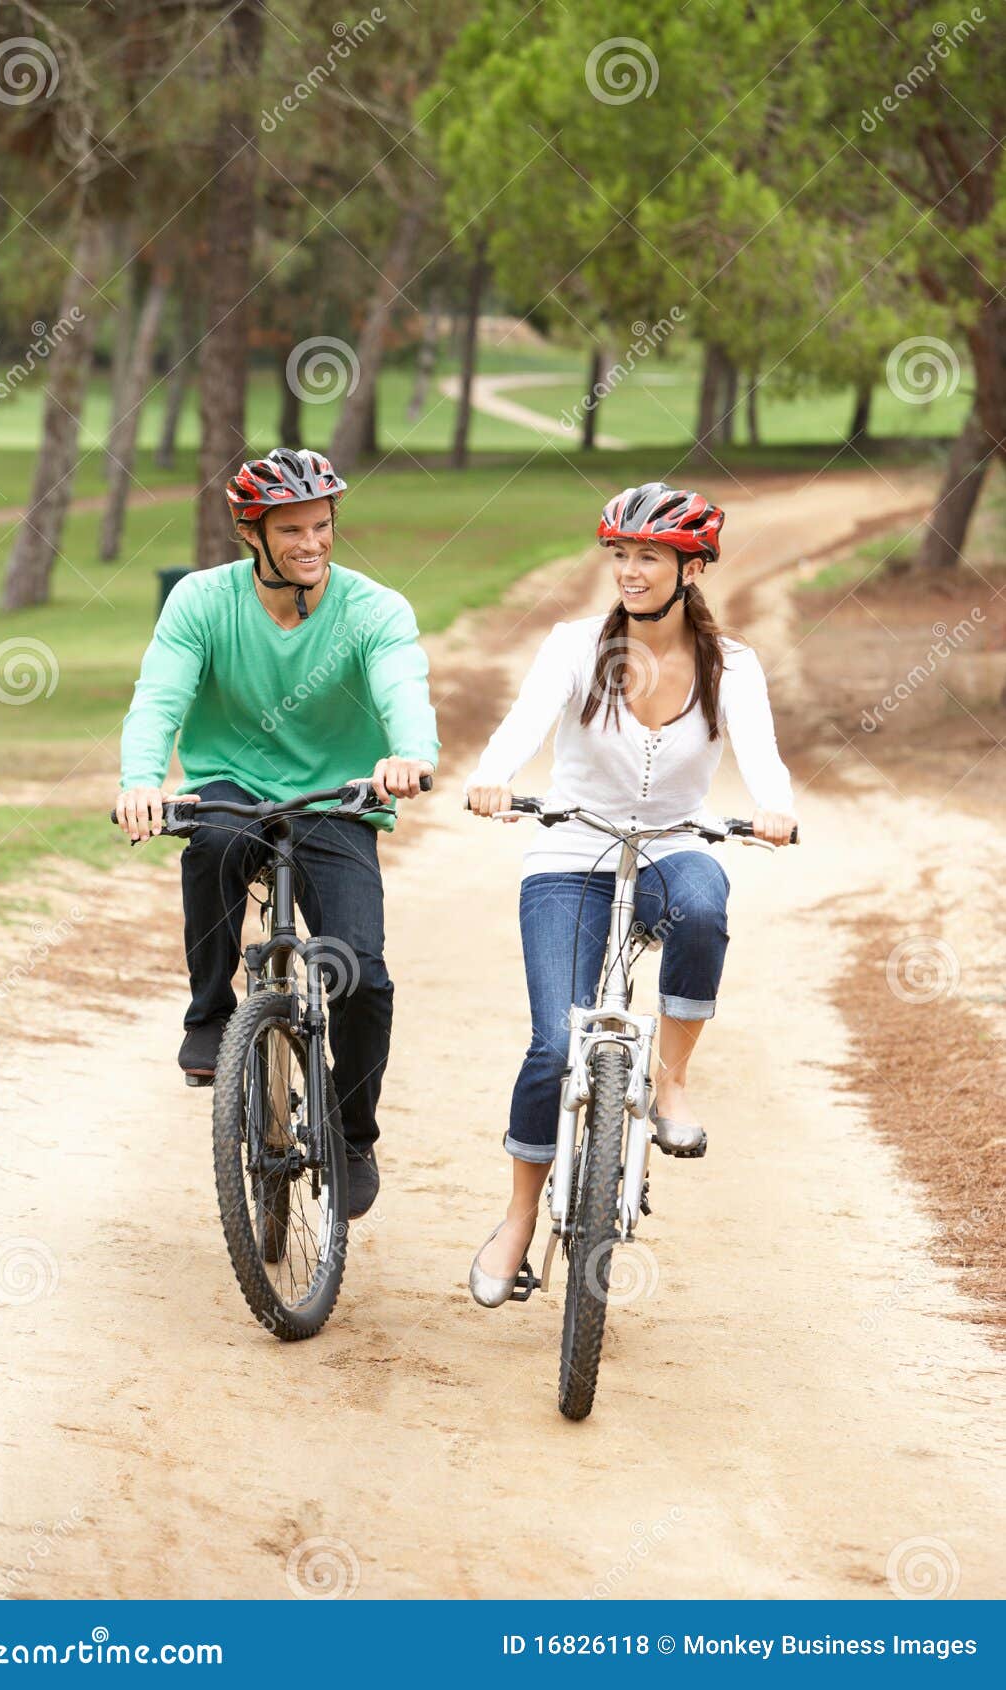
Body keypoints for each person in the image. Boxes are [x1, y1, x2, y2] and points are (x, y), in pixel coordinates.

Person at [464, 481, 796, 1305]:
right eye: (620, 554)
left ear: (692, 568)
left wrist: (774, 806)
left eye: (649, 556)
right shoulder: (575, 646)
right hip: (570, 850)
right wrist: (492, 776)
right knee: (553, 1043)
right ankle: (519, 1217)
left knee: (704, 902)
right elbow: (524, 721)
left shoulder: (730, 665)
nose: (630, 571)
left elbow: (761, 753)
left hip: (671, 845)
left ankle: (671, 1079)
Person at [115, 447, 439, 1217]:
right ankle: (210, 1014)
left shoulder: (374, 609)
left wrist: (410, 754)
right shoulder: (201, 600)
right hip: (234, 783)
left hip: (337, 798)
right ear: (249, 531)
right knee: (215, 841)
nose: (311, 543)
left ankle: (352, 1135)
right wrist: (140, 781)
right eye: (291, 529)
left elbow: (402, 684)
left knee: (361, 974)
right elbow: (158, 696)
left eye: (321, 525)